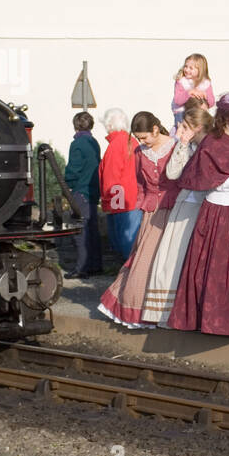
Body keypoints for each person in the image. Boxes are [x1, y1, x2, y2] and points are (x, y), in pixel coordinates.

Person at [166, 92, 229, 336]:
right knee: (221, 268)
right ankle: (216, 321)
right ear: (226, 118)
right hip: (221, 215)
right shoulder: (213, 142)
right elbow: (195, 176)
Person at [98, 111, 177, 327]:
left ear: (155, 129)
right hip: (151, 211)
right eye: (138, 138)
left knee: (169, 262)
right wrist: (142, 204)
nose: (140, 142)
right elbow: (140, 182)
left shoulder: (175, 146)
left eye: (144, 138)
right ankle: (140, 309)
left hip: (175, 210)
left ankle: (166, 311)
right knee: (143, 259)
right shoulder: (141, 151)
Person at [141, 98, 212, 324]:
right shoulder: (184, 146)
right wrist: (182, 144)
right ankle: (167, 312)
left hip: (202, 206)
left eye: (184, 127)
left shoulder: (210, 146)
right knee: (171, 258)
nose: (179, 130)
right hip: (184, 205)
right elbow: (172, 173)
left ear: (197, 128)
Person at [99, 108, 142, 261]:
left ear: (109, 124)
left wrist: (109, 204)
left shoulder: (115, 145)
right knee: (133, 245)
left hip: (122, 203)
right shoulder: (132, 141)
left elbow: (112, 179)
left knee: (125, 245)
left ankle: (128, 281)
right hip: (134, 199)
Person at [64, 111, 103, 278]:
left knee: (80, 231)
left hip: (81, 191)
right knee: (92, 230)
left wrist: (69, 186)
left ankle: (81, 268)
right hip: (93, 191)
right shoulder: (94, 142)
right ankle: (95, 265)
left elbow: (73, 170)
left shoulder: (77, 144)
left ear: (75, 125)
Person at [171, 53, 215, 132]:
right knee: (183, 132)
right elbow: (177, 100)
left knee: (202, 129)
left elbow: (211, 103)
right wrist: (189, 93)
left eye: (191, 68)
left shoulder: (205, 83)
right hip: (182, 113)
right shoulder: (181, 81)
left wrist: (205, 95)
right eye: (186, 66)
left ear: (200, 70)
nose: (187, 70)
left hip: (198, 113)